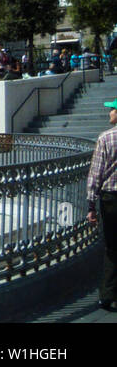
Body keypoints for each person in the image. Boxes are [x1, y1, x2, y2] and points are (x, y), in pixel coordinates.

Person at [86, 97, 117, 311]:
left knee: (112, 247)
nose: (109, 114)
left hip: (111, 199)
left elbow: (96, 174)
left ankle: (108, 294)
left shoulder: (106, 138)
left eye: (112, 110)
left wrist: (91, 205)